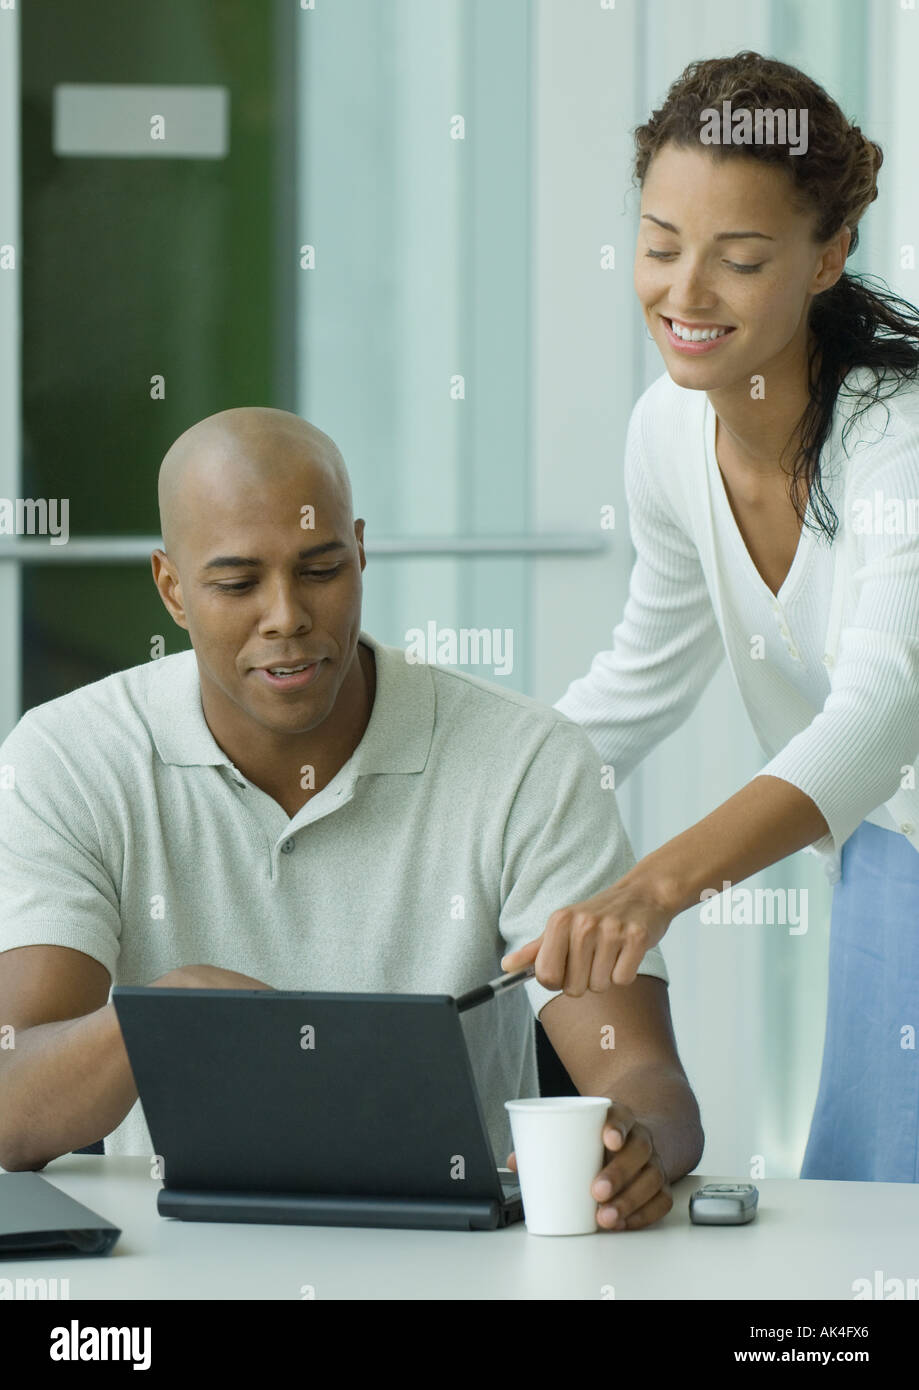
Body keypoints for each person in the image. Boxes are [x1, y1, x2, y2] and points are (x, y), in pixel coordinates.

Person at [0, 406, 702, 1231]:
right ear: (171, 588)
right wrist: (167, 1013)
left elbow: (647, 1078)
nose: (286, 616)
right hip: (175, 1258)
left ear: (361, 551)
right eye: (235, 583)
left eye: (321, 569)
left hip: (455, 1259)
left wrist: (634, 1144)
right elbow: (14, 1114)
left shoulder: (526, 757)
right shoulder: (68, 755)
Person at [502, 52, 919, 1183]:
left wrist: (655, 887)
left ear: (825, 258)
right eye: (657, 245)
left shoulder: (898, 442)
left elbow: (880, 717)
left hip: (897, 841)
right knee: (872, 1217)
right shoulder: (667, 433)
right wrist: (475, 815)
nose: (683, 294)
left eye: (738, 260)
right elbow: (638, 678)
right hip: (894, 854)